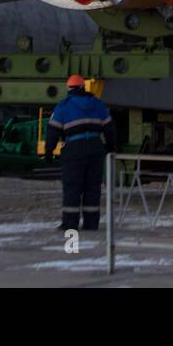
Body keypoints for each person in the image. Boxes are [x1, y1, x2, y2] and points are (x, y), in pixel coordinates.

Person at [44, 75, 116, 231]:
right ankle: (91, 224)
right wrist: (110, 147)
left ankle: (70, 224)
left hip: (74, 150)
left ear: (69, 89)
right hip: (96, 148)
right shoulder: (98, 104)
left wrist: (48, 152)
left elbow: (52, 132)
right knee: (92, 187)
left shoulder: (63, 106)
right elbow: (110, 129)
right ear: (84, 87)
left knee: (72, 187)